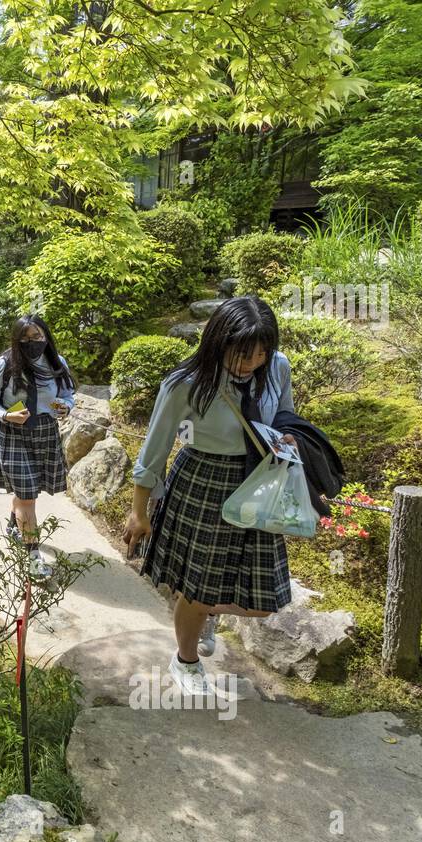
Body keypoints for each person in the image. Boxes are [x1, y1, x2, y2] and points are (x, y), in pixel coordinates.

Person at [121, 296, 298, 695]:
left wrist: (289, 439)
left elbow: (286, 416)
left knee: (265, 598)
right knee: (199, 587)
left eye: (259, 355)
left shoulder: (278, 368)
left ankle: (203, 609)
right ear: (218, 342)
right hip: (202, 482)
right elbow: (154, 451)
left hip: (256, 482)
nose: (249, 364)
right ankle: (185, 658)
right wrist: (139, 511)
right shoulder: (185, 383)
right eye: (240, 355)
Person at [0, 314, 76, 580]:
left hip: (45, 432)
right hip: (12, 433)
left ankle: (14, 526)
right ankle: (33, 562)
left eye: (36, 337)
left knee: (27, 494)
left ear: (45, 337)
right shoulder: (4, 364)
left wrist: (65, 406)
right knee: (27, 497)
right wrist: (6, 415)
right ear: (15, 339)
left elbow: (68, 395)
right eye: (24, 338)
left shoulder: (57, 363)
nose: (31, 342)